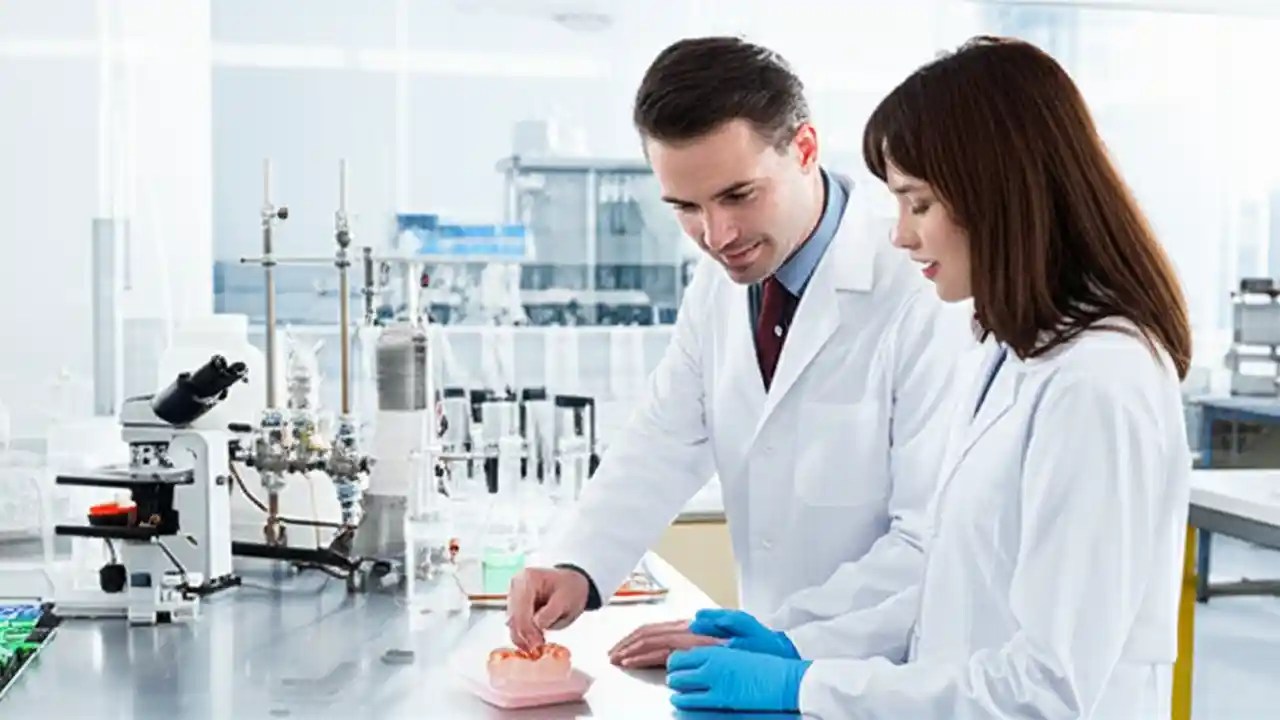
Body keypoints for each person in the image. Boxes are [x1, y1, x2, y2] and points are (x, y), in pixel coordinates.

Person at [664, 36, 1194, 719]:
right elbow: (956, 588)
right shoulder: (1011, 355)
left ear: (998, 196)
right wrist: (801, 647)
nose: (901, 236)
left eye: (918, 204)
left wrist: (808, 689)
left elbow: (1048, 688)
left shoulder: (1099, 384)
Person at [504, 36, 971, 668]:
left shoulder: (919, 286)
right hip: (766, 669)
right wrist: (578, 565)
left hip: (883, 673)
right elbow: (664, 438)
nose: (716, 235)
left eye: (738, 195)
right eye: (686, 208)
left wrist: (775, 639)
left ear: (803, 149)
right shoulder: (722, 284)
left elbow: (930, 541)